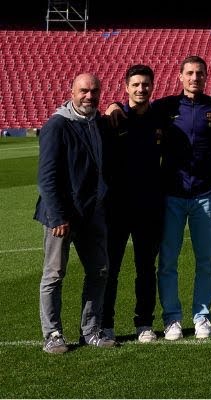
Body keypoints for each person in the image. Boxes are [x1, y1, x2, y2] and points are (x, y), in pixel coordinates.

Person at [151, 56, 211, 341]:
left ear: (207, 76)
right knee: (168, 260)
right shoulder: (164, 107)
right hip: (172, 193)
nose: (195, 77)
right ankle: (172, 318)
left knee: (206, 259)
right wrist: (114, 106)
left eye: (200, 73)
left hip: (206, 193)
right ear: (180, 76)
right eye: (190, 73)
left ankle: (201, 317)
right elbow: (133, 112)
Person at [36, 72, 115, 353]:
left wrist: (115, 105)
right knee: (54, 274)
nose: (89, 96)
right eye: (83, 91)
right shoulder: (57, 126)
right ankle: (53, 334)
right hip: (62, 216)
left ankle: (91, 331)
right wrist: (57, 216)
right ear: (71, 92)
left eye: (94, 91)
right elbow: (46, 177)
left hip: (92, 213)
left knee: (99, 271)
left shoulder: (99, 123)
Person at [101, 65, 167, 344]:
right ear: (126, 87)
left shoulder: (162, 118)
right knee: (109, 268)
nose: (141, 89)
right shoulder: (113, 119)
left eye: (146, 84)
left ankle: (144, 323)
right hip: (115, 207)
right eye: (136, 85)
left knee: (145, 268)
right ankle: (104, 324)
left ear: (153, 86)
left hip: (149, 207)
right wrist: (111, 106)